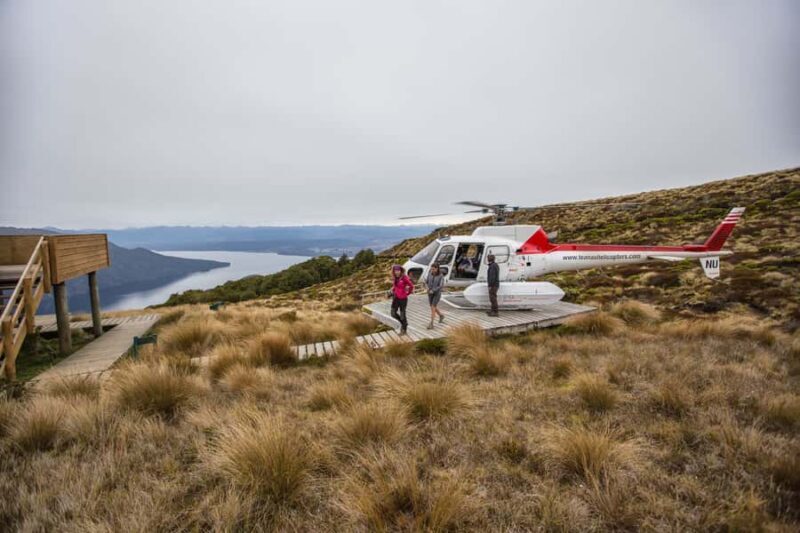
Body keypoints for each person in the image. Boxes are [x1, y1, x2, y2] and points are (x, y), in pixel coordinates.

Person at [389, 264, 414, 334]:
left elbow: (411, 286)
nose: (397, 272)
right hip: (395, 298)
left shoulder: (404, 278)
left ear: (401, 271)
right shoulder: (395, 277)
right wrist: (392, 290)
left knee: (402, 315)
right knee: (393, 313)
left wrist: (407, 293)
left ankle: (404, 329)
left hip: (403, 299)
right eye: (395, 271)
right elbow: (395, 286)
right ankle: (404, 323)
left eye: (398, 270)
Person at [425, 263, 445, 329]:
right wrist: (427, 288)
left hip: (437, 294)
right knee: (432, 306)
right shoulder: (429, 273)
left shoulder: (441, 276)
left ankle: (431, 324)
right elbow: (426, 282)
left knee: (433, 307)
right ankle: (441, 315)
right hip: (429, 293)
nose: (432, 270)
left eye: (433, 269)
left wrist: (433, 290)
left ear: (437, 269)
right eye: (431, 269)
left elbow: (441, 286)